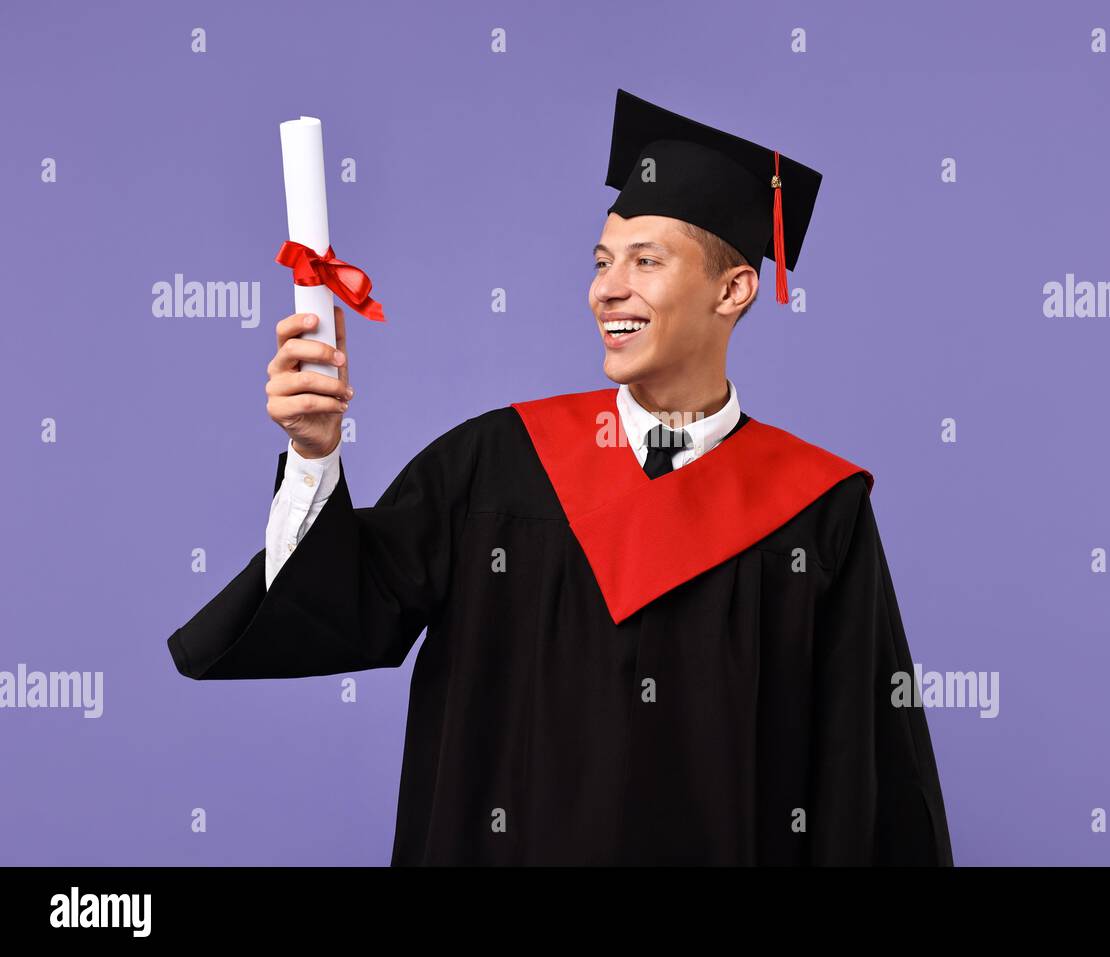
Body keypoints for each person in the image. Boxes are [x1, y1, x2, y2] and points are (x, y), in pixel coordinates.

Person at [167, 89, 954, 866]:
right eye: (603, 261)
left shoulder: (817, 512)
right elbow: (337, 606)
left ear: (733, 289)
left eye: (646, 261)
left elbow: (869, 775)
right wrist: (313, 452)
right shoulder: (495, 465)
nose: (606, 288)